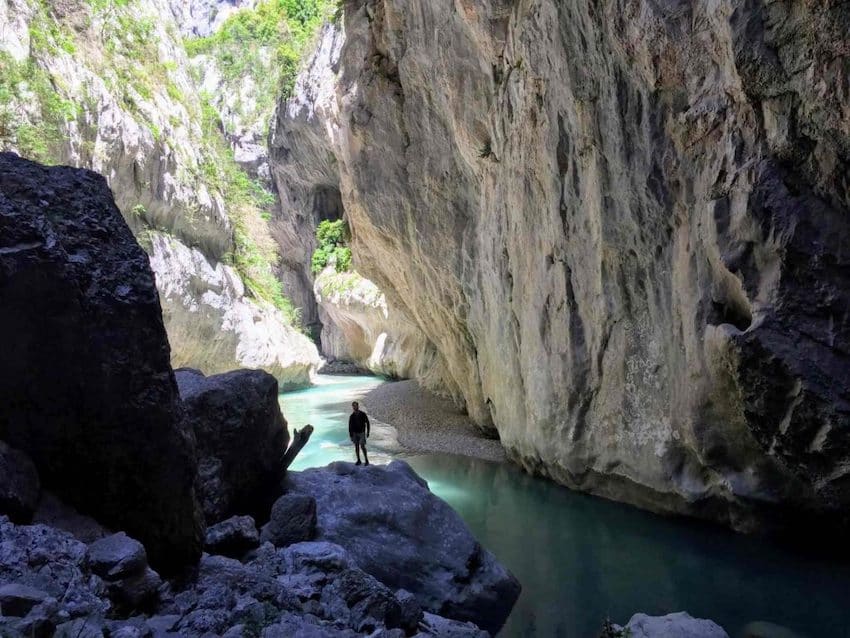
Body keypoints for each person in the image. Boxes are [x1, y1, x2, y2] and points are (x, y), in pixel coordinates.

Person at [348, 401, 370, 466]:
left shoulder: (363, 414)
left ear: (358, 406)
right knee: (356, 446)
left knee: (362, 446)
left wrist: (368, 432)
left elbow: (368, 423)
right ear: (352, 407)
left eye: (356, 405)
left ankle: (366, 460)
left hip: (362, 432)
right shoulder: (351, 416)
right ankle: (358, 460)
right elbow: (350, 426)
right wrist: (351, 435)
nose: (355, 407)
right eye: (353, 406)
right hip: (355, 433)